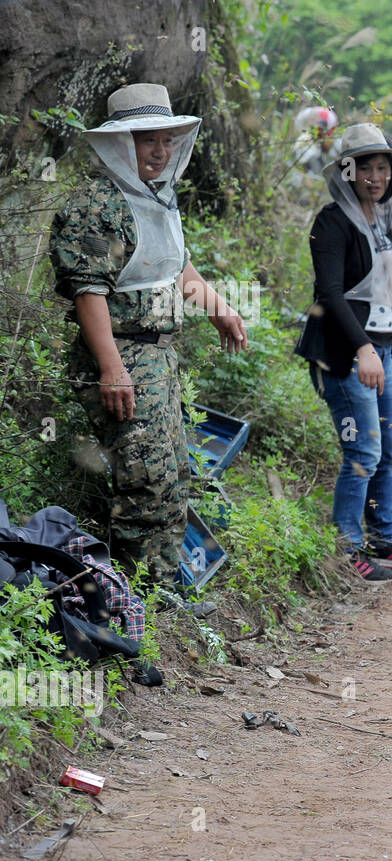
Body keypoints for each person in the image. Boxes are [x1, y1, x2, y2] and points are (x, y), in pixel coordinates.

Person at [48, 83, 248, 582]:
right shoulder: (95, 204)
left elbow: (177, 269)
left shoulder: (156, 197)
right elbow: (88, 293)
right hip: (123, 356)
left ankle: (160, 594)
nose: (160, 151)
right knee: (147, 483)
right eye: (147, 141)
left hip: (159, 358)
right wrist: (113, 370)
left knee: (175, 476)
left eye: (165, 140)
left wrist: (219, 307)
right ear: (122, 144)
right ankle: (138, 603)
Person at [298, 123, 392, 582]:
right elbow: (331, 295)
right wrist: (361, 350)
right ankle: (347, 549)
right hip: (345, 352)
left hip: (379, 346)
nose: (375, 177)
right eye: (365, 168)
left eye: (382, 168)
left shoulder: (378, 217)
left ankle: (383, 538)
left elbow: (377, 280)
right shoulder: (331, 222)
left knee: (389, 450)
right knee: (363, 451)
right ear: (347, 172)